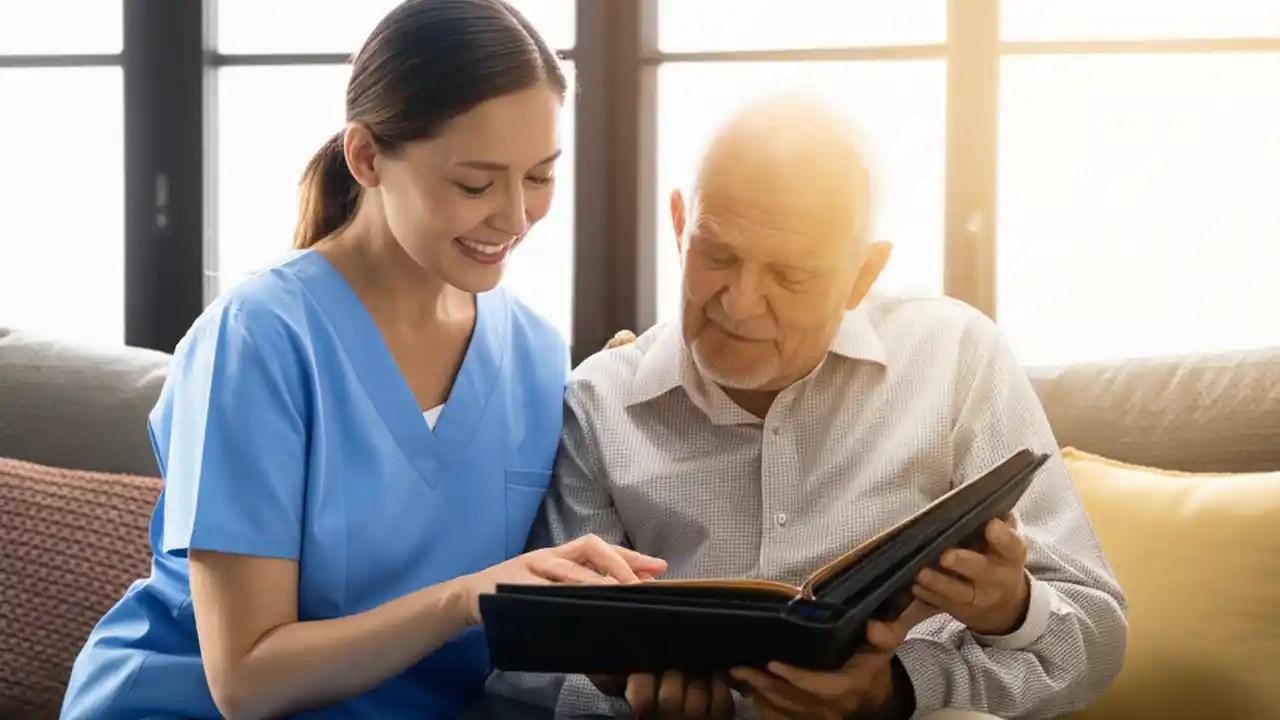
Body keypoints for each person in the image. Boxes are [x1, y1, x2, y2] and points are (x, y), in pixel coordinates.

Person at [58, 2, 665, 718]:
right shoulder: (258, 340)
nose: (514, 216)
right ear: (367, 157)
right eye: (475, 183)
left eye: (539, 176)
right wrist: (462, 599)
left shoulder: (535, 356)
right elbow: (244, 681)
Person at [503, 95, 1128, 719]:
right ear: (678, 225)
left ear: (863, 273)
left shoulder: (955, 357)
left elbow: (1094, 636)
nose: (741, 303)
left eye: (791, 276)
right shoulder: (600, 400)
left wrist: (910, 682)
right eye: (717, 255)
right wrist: (623, 697)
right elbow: (532, 676)